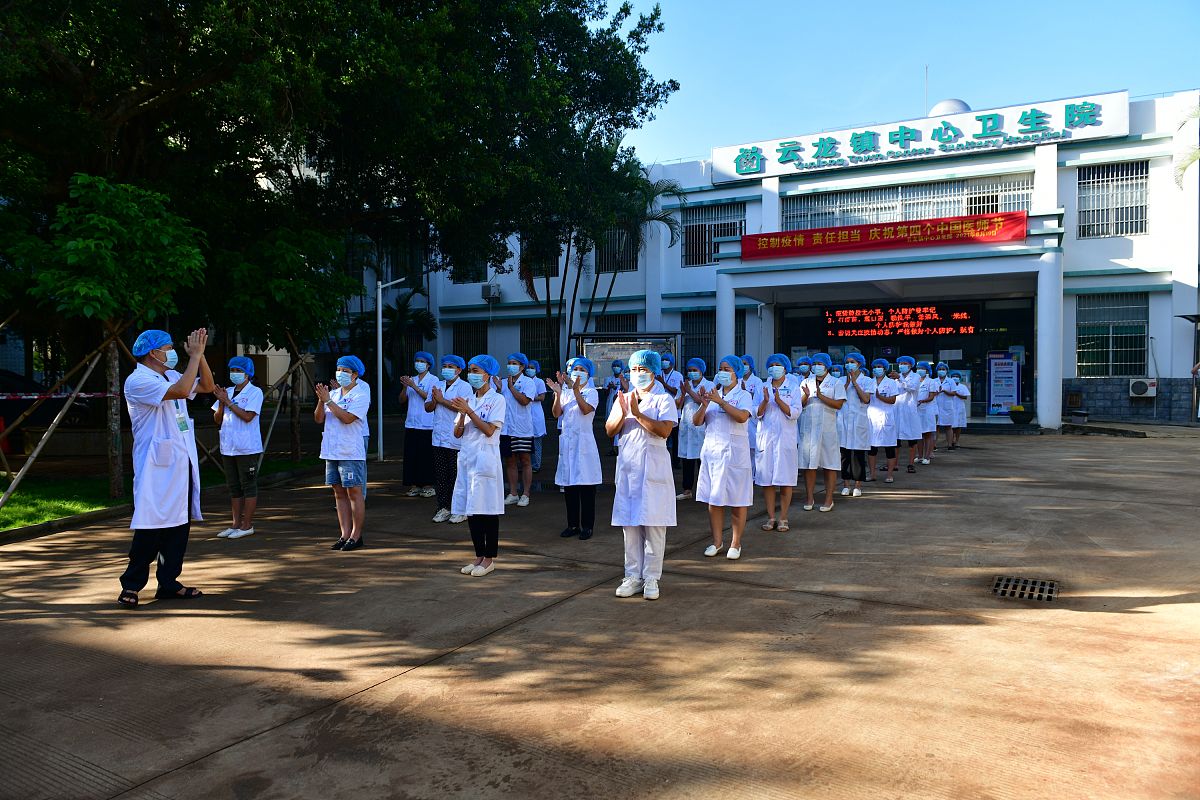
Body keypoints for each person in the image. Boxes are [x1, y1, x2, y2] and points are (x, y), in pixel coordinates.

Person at [118, 328, 215, 608]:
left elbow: (207, 386)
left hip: (179, 462)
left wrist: (201, 356)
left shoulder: (171, 375)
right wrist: (194, 356)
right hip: (155, 467)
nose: (173, 353)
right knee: (150, 528)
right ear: (153, 352)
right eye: (169, 348)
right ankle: (131, 585)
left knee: (178, 528)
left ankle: (169, 583)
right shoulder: (138, 381)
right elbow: (183, 391)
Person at [606, 349, 678, 600]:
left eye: (643, 369)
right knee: (630, 525)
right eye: (634, 369)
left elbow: (665, 431)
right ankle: (632, 575)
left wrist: (637, 414)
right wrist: (624, 411)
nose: (637, 374)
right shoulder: (623, 397)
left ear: (654, 371)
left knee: (654, 526)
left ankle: (651, 578)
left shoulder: (663, 399)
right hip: (628, 469)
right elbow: (609, 429)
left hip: (654, 468)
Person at [450, 355, 507, 576]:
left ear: (488, 375)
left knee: (487, 511)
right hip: (467, 459)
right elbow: (456, 433)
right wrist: (463, 415)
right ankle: (478, 556)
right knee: (472, 510)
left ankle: (489, 559)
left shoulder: (497, 400)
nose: (471, 374)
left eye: (476, 370)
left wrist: (469, 412)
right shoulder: (468, 399)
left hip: (485, 459)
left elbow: (490, 430)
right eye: (470, 370)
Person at [695, 354, 755, 559]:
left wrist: (720, 402)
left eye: (727, 369)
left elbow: (741, 417)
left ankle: (735, 543)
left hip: (735, 455)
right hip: (712, 453)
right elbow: (696, 421)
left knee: (738, 500)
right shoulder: (713, 394)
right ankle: (717, 542)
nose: (723, 372)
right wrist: (704, 403)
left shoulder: (744, 395)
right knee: (714, 500)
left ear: (737, 372)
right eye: (721, 368)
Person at [316, 355, 371, 551]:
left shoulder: (361, 395)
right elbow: (318, 418)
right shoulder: (334, 394)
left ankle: (357, 536)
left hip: (350, 451)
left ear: (355, 374)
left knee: (354, 492)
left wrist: (328, 401)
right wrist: (321, 400)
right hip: (331, 450)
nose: (341, 373)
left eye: (346, 371)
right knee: (338, 493)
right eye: (339, 369)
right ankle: (344, 534)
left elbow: (347, 418)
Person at [548, 358, 601, 539]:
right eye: (574, 369)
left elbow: (586, 410)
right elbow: (556, 413)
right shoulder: (566, 392)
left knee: (586, 487)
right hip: (568, 443)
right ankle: (572, 525)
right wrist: (557, 393)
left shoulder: (591, 392)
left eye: (581, 369)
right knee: (569, 486)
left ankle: (587, 526)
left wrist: (576, 390)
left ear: (588, 373)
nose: (577, 372)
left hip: (584, 444)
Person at [212, 356, 263, 540]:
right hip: (228, 446)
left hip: (247, 447)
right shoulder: (227, 392)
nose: (234, 374)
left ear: (247, 374)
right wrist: (220, 402)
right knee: (234, 487)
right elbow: (217, 419)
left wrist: (228, 402)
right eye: (232, 370)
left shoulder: (255, 392)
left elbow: (248, 417)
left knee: (248, 485)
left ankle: (247, 525)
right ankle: (235, 525)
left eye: (238, 371)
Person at [425, 354, 474, 524]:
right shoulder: (437, 385)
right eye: (444, 366)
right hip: (438, 437)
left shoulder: (465, 387)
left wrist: (441, 399)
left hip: (455, 438)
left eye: (450, 367)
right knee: (440, 475)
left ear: (459, 370)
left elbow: (461, 408)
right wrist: (434, 400)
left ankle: (459, 508)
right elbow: (428, 407)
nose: (446, 369)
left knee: (456, 475)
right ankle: (443, 507)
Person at [755, 353, 800, 531]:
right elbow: (756, 413)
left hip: (785, 440)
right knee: (767, 480)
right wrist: (766, 401)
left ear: (785, 367)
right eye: (771, 365)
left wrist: (779, 400)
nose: (774, 368)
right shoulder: (763, 387)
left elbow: (795, 413)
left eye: (778, 365)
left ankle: (783, 517)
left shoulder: (793, 387)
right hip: (766, 439)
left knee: (786, 479)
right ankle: (771, 517)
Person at [799, 352, 846, 512]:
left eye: (820, 364)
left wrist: (820, 396)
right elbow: (799, 405)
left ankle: (828, 499)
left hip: (827, 428)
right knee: (809, 464)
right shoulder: (806, 381)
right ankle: (810, 498)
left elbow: (839, 404)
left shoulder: (835, 382)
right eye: (815, 363)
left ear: (827, 365)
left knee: (829, 463)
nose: (816, 366)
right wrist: (806, 396)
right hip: (809, 427)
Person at [498, 352, 536, 506]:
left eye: (514, 364)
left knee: (525, 460)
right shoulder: (503, 382)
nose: (511, 366)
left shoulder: (528, 382)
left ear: (522, 366)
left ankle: (526, 494)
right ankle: (513, 492)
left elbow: (524, 401)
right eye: (509, 363)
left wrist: (511, 388)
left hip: (522, 429)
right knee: (510, 461)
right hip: (506, 429)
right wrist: (501, 389)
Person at [399, 351, 437, 498]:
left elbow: (428, 397)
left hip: (426, 425)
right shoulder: (411, 379)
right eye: (417, 361)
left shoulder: (433, 380)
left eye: (422, 361)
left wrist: (413, 386)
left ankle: (428, 485)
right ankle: (414, 485)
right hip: (411, 424)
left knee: (425, 456)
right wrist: (404, 387)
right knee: (411, 455)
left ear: (428, 365)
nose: (419, 364)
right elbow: (402, 400)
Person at [838, 353, 874, 498]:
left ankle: (858, 485)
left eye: (852, 362)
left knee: (858, 454)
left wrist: (855, 383)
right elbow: (838, 397)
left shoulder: (867, 380)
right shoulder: (840, 380)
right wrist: (847, 382)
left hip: (859, 420)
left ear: (859, 364)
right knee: (844, 454)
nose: (849, 365)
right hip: (843, 421)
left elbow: (866, 399)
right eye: (847, 362)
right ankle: (846, 485)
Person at [676, 357, 712, 500]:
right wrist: (683, 392)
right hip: (687, 426)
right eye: (689, 371)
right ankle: (687, 490)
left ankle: (707, 489)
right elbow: (678, 405)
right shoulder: (686, 385)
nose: (691, 373)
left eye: (694, 370)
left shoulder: (709, 385)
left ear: (701, 371)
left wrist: (689, 391)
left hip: (701, 427)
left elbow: (702, 402)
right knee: (687, 460)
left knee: (702, 459)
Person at [867, 358, 900, 484]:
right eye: (875, 367)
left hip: (886, 417)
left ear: (885, 369)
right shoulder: (870, 382)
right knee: (872, 448)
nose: (877, 369)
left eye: (879, 367)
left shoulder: (891, 383)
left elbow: (892, 400)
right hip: (872, 417)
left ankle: (890, 475)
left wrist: (879, 396)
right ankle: (872, 474)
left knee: (889, 448)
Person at [894, 355, 924, 474]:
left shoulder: (916, 376)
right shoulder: (896, 378)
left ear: (910, 365)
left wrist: (900, 380)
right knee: (896, 440)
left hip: (910, 411)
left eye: (905, 363)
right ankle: (894, 464)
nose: (902, 366)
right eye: (900, 363)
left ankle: (911, 464)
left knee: (912, 439)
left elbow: (911, 388)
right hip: (897, 409)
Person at [740, 354, 763, 475]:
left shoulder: (757, 381)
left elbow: (759, 399)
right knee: (743, 448)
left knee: (753, 449)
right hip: (740, 417)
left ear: (750, 366)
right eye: (741, 364)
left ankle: (754, 475)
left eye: (745, 364)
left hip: (752, 419)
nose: (743, 366)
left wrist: (746, 391)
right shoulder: (737, 380)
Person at [660, 353, 684, 468]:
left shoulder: (677, 375)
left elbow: (676, 392)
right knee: (662, 437)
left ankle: (676, 462)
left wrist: (663, 383)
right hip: (661, 409)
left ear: (671, 362)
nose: (664, 362)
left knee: (675, 439)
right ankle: (663, 461)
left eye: (666, 360)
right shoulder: (658, 374)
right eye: (662, 359)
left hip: (675, 409)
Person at [525, 359, 548, 473]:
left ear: (537, 370)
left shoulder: (539, 382)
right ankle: (526, 465)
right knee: (525, 443)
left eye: (532, 367)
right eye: (528, 367)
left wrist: (529, 397)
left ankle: (536, 465)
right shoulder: (522, 381)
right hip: (525, 415)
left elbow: (542, 397)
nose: (529, 369)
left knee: (536, 443)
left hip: (536, 415)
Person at [603, 359, 628, 455]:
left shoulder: (624, 378)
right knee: (611, 425)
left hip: (620, 403)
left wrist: (616, 388)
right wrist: (609, 388)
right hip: (610, 404)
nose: (616, 368)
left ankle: (621, 447)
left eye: (618, 366)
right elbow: (605, 393)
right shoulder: (608, 379)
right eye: (614, 366)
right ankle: (613, 448)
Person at [933, 362, 958, 451]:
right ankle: (934, 445)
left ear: (947, 371)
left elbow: (954, 393)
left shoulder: (951, 381)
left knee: (948, 426)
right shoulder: (933, 381)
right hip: (936, 405)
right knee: (936, 426)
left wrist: (945, 391)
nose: (941, 371)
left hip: (947, 407)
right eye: (939, 369)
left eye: (943, 369)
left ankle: (950, 445)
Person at [916, 361, 937, 464]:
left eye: (922, 368)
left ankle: (927, 457)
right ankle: (919, 456)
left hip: (927, 410)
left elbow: (932, 396)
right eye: (918, 368)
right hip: (917, 410)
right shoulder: (915, 380)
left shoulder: (931, 381)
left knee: (927, 434)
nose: (920, 370)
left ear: (927, 370)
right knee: (919, 435)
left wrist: (923, 401)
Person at [951, 370, 971, 446]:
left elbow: (965, 397)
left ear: (960, 378)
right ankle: (951, 439)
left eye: (957, 377)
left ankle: (957, 441)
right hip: (951, 407)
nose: (955, 378)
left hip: (959, 407)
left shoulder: (963, 387)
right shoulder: (949, 386)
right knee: (951, 425)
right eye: (954, 376)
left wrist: (956, 394)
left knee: (959, 425)